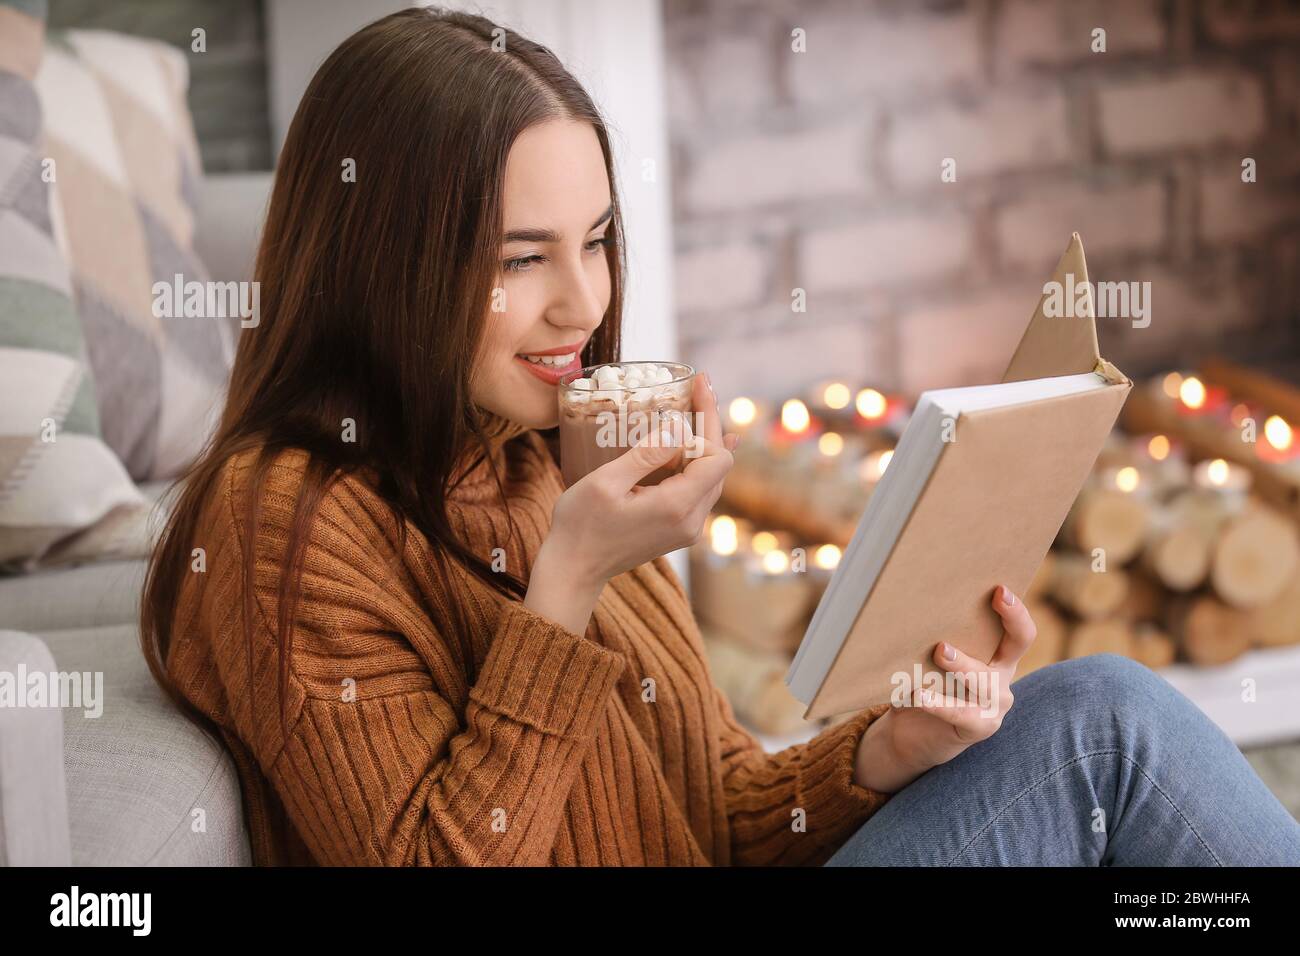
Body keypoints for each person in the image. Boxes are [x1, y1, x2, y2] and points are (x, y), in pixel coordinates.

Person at [141, 6, 1300, 866]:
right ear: (382, 266)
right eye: (520, 257)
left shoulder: (532, 454)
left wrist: (881, 751)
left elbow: (714, 811)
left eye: (594, 240)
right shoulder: (284, 524)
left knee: (1088, 710)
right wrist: (569, 587)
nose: (583, 305)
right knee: (1109, 731)